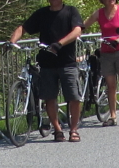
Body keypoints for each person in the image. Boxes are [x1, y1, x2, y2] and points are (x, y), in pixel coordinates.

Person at [10, 0, 84, 142]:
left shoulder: (71, 11)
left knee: (74, 97)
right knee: (50, 97)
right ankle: (57, 130)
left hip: (67, 62)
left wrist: (59, 44)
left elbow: (77, 30)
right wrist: (12, 41)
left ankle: (73, 130)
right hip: (47, 63)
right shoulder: (42, 13)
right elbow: (23, 28)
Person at [83, 0, 119, 127]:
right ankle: (113, 115)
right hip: (106, 53)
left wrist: (118, 40)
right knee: (110, 86)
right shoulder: (99, 13)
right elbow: (84, 25)